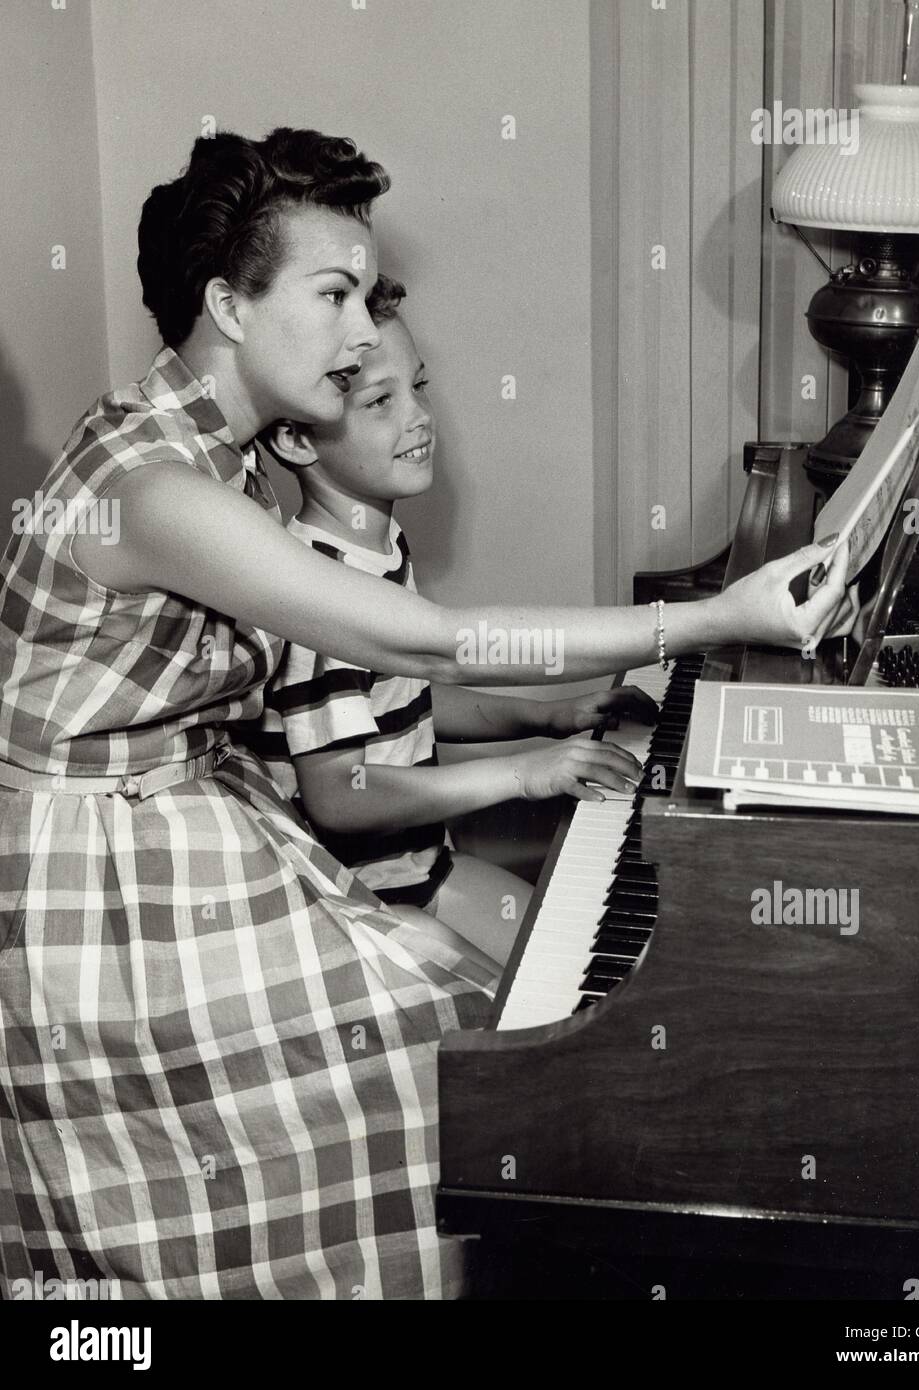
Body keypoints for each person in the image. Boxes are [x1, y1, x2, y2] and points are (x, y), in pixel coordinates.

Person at [0, 127, 853, 1302]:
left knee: (473, 1053)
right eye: (333, 296)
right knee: (442, 1082)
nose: (364, 333)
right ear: (228, 306)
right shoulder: (157, 489)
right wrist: (708, 618)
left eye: (366, 296)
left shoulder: (207, 447)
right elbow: (426, 641)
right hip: (101, 889)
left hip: (187, 818)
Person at [252, 279, 661, 965]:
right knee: (540, 1004)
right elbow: (340, 797)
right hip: (355, 905)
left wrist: (547, 717)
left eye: (418, 387)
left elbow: (401, 698)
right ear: (294, 437)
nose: (420, 417)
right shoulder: (318, 590)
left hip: (418, 869)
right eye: (380, 401)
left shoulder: (378, 549)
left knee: (584, 953)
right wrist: (522, 774)